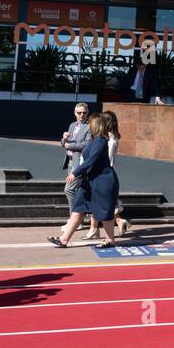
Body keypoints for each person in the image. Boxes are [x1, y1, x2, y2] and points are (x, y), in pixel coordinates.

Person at [51, 114, 120, 248]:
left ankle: (110, 240)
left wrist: (75, 172)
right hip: (89, 182)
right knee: (78, 207)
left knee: (105, 211)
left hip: (102, 181)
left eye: (90, 123)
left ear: (95, 125)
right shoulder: (92, 140)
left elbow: (91, 160)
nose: (88, 125)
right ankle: (63, 239)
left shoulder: (101, 140)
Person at [60, 103, 93, 239]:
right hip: (70, 162)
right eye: (79, 112)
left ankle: (76, 219)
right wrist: (64, 139)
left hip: (79, 164)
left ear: (87, 113)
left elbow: (87, 144)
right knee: (73, 191)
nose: (81, 115)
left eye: (84, 113)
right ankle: (76, 218)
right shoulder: (72, 125)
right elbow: (63, 143)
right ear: (75, 113)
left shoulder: (90, 126)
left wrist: (70, 145)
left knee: (68, 189)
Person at [102, 110, 131, 236]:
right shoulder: (111, 137)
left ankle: (119, 222)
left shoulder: (110, 140)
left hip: (107, 173)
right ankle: (120, 222)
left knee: (106, 202)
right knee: (107, 201)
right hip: (110, 172)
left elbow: (108, 159)